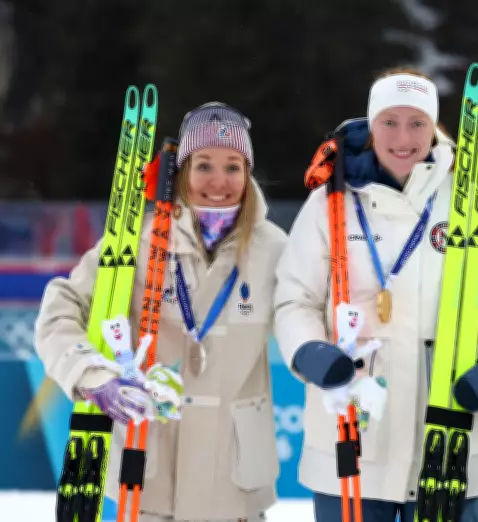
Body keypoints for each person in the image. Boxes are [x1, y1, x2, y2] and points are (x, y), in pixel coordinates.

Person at [273, 67, 478, 522]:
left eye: (417, 123)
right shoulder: (331, 201)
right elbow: (296, 299)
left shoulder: (468, 202)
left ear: (434, 129)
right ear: (371, 126)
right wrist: (308, 350)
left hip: (448, 440)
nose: (403, 137)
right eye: (389, 122)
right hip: (351, 439)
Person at [34, 102, 288, 522]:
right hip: (147, 478)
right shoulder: (137, 241)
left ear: (248, 173)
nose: (219, 181)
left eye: (233, 166)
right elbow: (60, 309)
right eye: (203, 165)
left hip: (236, 484)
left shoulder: (276, 249)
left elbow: (308, 319)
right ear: (182, 171)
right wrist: (91, 375)